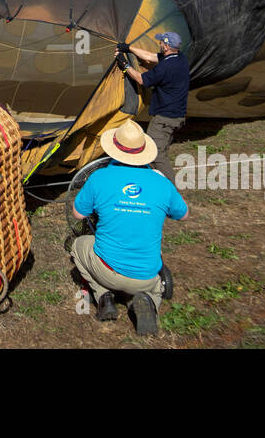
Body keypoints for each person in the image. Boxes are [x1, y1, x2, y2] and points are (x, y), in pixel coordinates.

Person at [71, 119, 188, 336]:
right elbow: (184, 214)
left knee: (78, 245)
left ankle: (103, 295)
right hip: (146, 275)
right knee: (153, 285)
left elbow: (78, 213)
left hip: (107, 270)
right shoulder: (161, 182)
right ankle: (147, 300)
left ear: (114, 150)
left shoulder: (99, 177)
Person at [121, 32, 189, 177]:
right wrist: (128, 48)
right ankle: (156, 187)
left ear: (166, 46)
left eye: (161, 43)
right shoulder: (180, 57)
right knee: (159, 151)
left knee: (156, 156)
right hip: (176, 116)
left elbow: (141, 80)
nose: (159, 44)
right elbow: (149, 56)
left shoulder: (165, 67)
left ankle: (172, 192)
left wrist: (125, 66)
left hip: (164, 119)